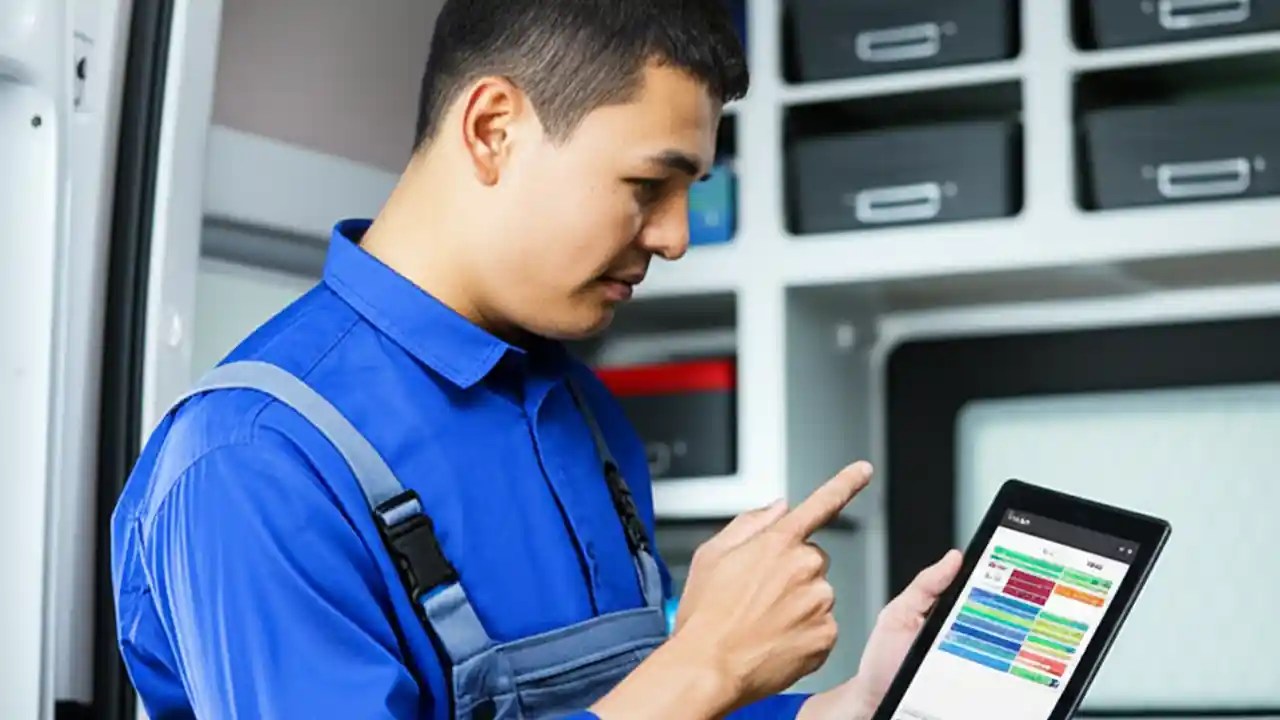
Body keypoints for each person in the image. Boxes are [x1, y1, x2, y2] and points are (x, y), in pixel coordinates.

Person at [109, 1, 962, 718]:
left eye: (689, 191)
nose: (672, 237)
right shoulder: (253, 462)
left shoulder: (584, 416)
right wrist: (704, 661)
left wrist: (845, 706)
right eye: (647, 185)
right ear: (492, 128)